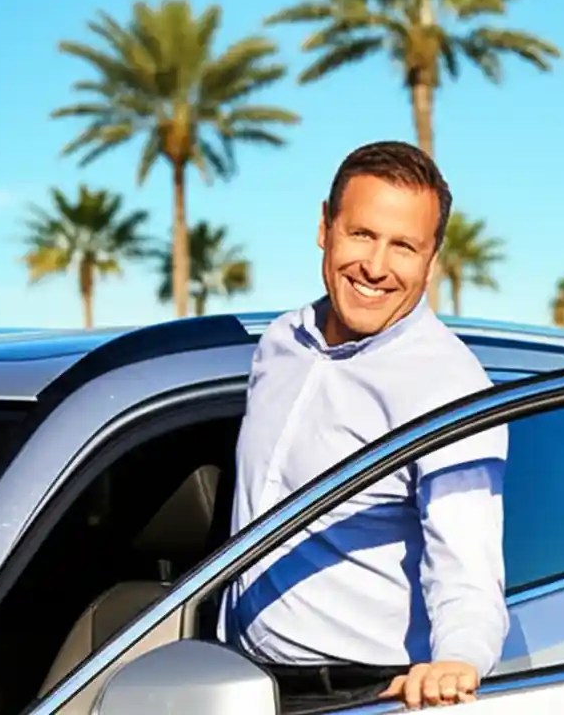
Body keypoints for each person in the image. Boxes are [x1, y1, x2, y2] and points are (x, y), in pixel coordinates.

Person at [218, 140, 510, 710]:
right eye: (362, 235)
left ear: (432, 258)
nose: (375, 267)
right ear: (325, 228)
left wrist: (458, 662)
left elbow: (468, 567)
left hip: (362, 695)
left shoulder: (449, 388)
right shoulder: (280, 342)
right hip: (236, 682)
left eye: (404, 246)